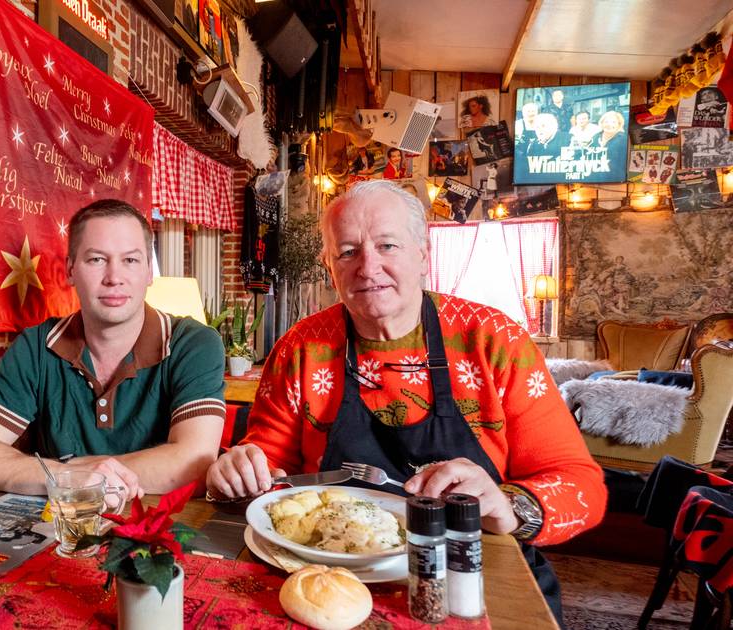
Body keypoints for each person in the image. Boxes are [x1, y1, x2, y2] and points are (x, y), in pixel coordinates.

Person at [205, 180, 605, 623]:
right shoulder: (302, 348)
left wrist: (509, 505)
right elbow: (269, 466)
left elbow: (580, 487)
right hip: (330, 578)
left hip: (472, 578)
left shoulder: (494, 340)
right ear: (329, 266)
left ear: (423, 255)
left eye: (387, 245)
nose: (367, 266)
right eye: (348, 251)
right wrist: (241, 469)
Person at [0, 199, 226, 499]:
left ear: (149, 272)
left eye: (131, 260)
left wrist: (81, 474)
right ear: (70, 270)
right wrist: (66, 476)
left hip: (164, 532)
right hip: (65, 530)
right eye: (97, 259)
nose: (114, 277)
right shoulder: (35, 346)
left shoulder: (193, 343)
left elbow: (195, 461)